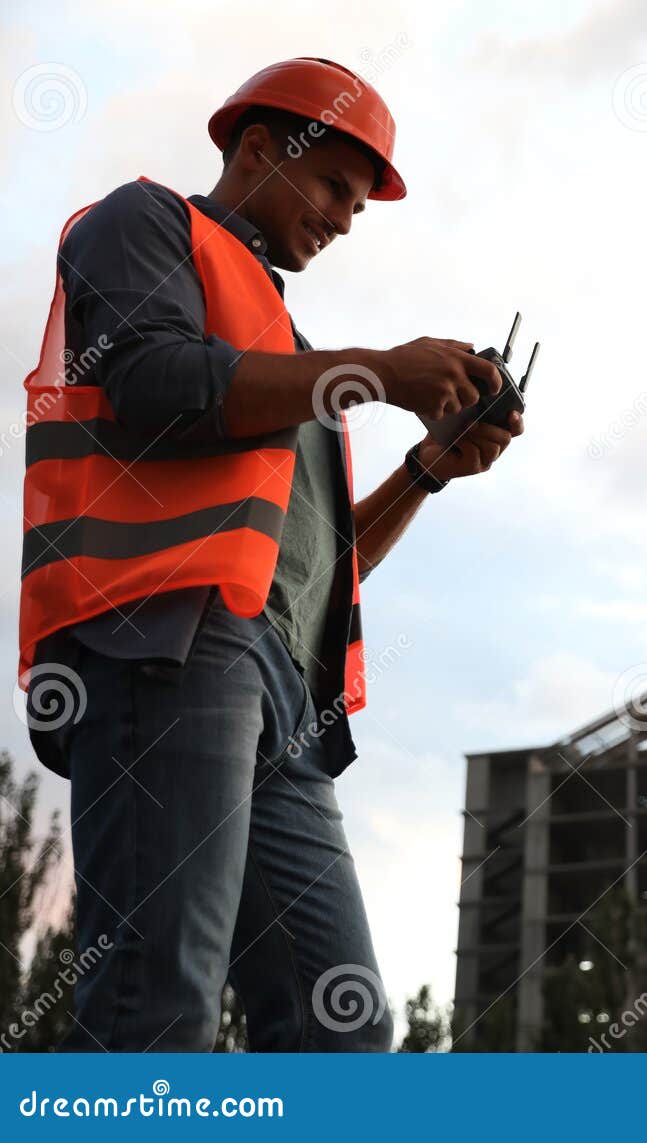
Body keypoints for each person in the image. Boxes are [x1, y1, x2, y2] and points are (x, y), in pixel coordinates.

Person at [17, 57, 522, 1051]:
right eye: (336, 186)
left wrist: (426, 469)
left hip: (282, 706)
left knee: (343, 1032)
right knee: (157, 1007)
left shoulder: (288, 354)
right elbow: (157, 385)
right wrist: (377, 370)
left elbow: (317, 582)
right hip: (166, 646)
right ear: (259, 148)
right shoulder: (148, 223)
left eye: (358, 207)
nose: (343, 218)